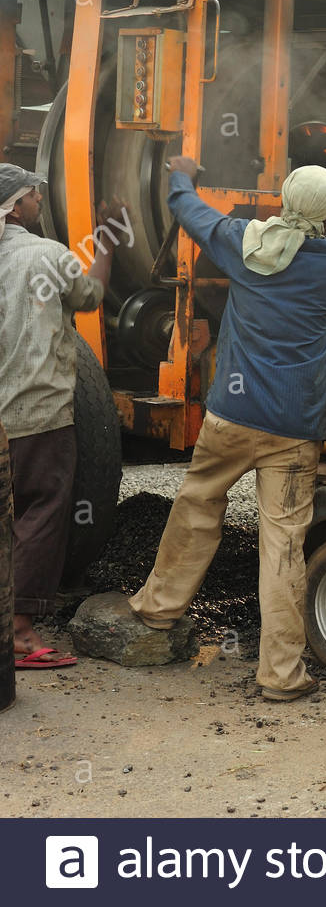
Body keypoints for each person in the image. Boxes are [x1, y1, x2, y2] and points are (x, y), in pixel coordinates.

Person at [129, 158, 326, 702]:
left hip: (230, 416)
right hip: (295, 428)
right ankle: (281, 675)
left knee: (197, 504)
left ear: (283, 198)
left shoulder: (242, 245)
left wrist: (181, 175)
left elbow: (190, 213)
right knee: (282, 544)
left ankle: (158, 609)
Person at [0, 163, 116, 669]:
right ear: (17, 205)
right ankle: (20, 634)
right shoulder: (48, 256)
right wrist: (108, 243)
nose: (41, 201)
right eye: (35, 195)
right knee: (41, 511)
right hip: (38, 412)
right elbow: (90, 297)